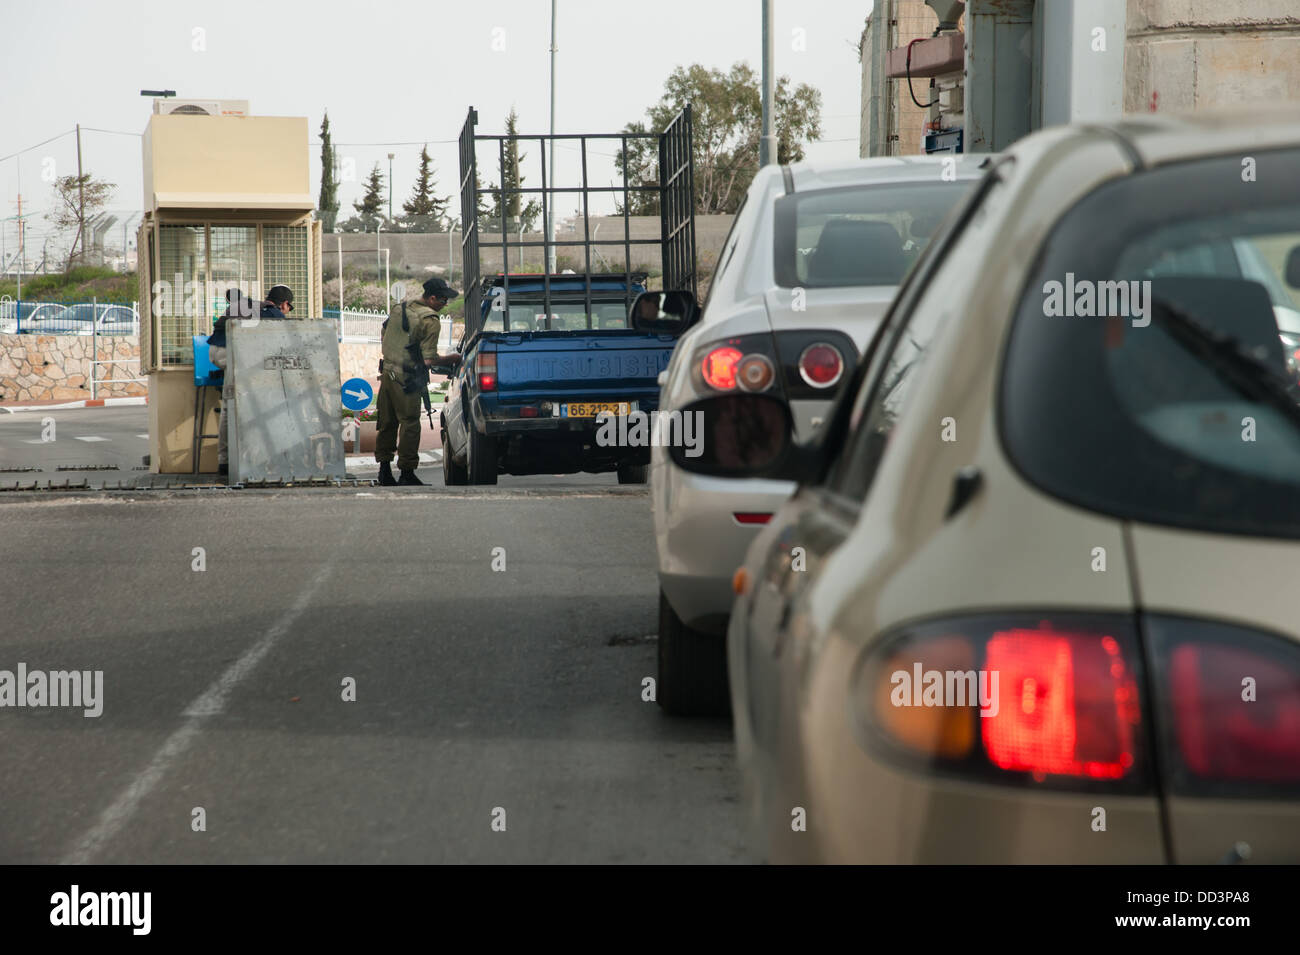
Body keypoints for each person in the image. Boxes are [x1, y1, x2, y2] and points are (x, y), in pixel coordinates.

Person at [375, 277, 458, 486]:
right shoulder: (430, 320)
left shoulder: (400, 309)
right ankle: (406, 473)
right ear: (431, 298)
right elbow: (429, 360)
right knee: (410, 423)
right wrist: (455, 358)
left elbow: (384, 333)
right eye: (442, 300)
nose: (444, 305)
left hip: (386, 373)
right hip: (407, 378)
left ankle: (384, 471)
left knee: (387, 423)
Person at [206, 285, 293, 477]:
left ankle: (225, 461)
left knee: (230, 406)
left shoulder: (251, 306)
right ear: (284, 304)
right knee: (253, 407)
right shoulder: (273, 314)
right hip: (232, 353)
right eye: (289, 307)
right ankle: (251, 460)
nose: (287, 311)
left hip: (217, 350)